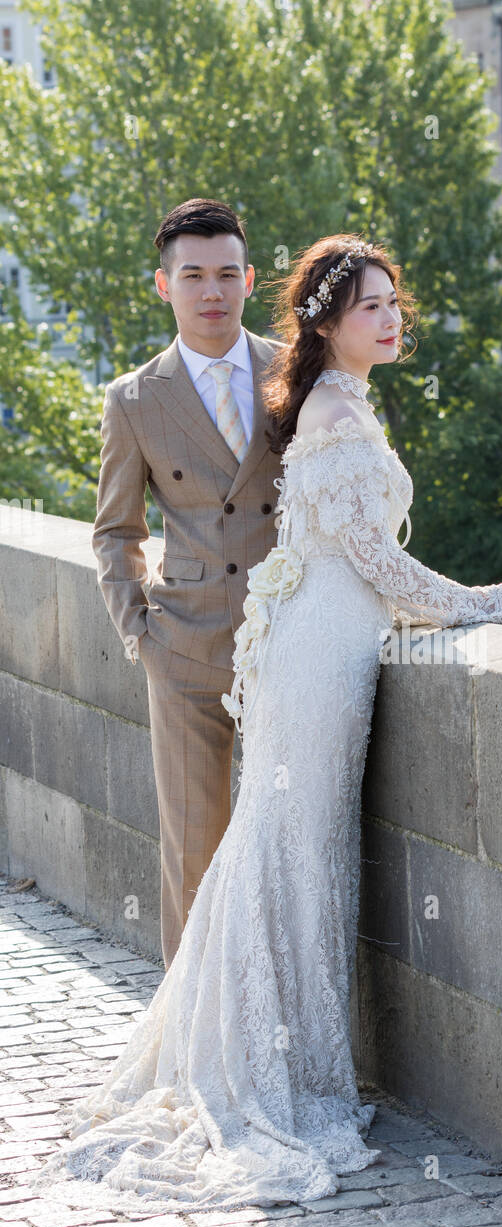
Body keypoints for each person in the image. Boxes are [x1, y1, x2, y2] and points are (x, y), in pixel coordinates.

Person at [29, 235, 502, 1214]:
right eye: (370, 306)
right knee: (291, 853)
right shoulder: (336, 412)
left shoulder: (335, 399)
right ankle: (278, 1080)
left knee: (289, 850)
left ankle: (286, 1068)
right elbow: (376, 564)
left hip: (318, 648)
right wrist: (477, 601)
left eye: (395, 302)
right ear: (327, 321)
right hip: (314, 659)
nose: (391, 319)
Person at [91, 198, 283, 969]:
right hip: (187, 650)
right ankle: (193, 1044)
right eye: (194, 275)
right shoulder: (135, 399)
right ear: (163, 286)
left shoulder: (294, 370)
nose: (214, 291)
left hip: (287, 640)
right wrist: (141, 635)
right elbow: (116, 530)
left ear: (248, 279)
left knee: (284, 849)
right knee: (193, 855)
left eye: (228, 274)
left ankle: (276, 1028)